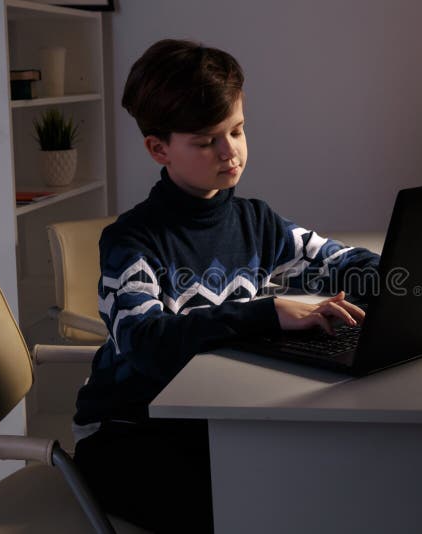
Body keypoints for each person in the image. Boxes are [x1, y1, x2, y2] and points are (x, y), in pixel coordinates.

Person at [72, 39, 380, 533]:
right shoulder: (131, 242)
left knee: (320, 477)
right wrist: (267, 312)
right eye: (205, 141)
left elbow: (341, 263)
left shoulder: (255, 222)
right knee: (250, 507)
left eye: (236, 130)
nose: (229, 151)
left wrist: (406, 276)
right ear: (159, 148)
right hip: (128, 431)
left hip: (212, 418)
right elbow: (147, 344)